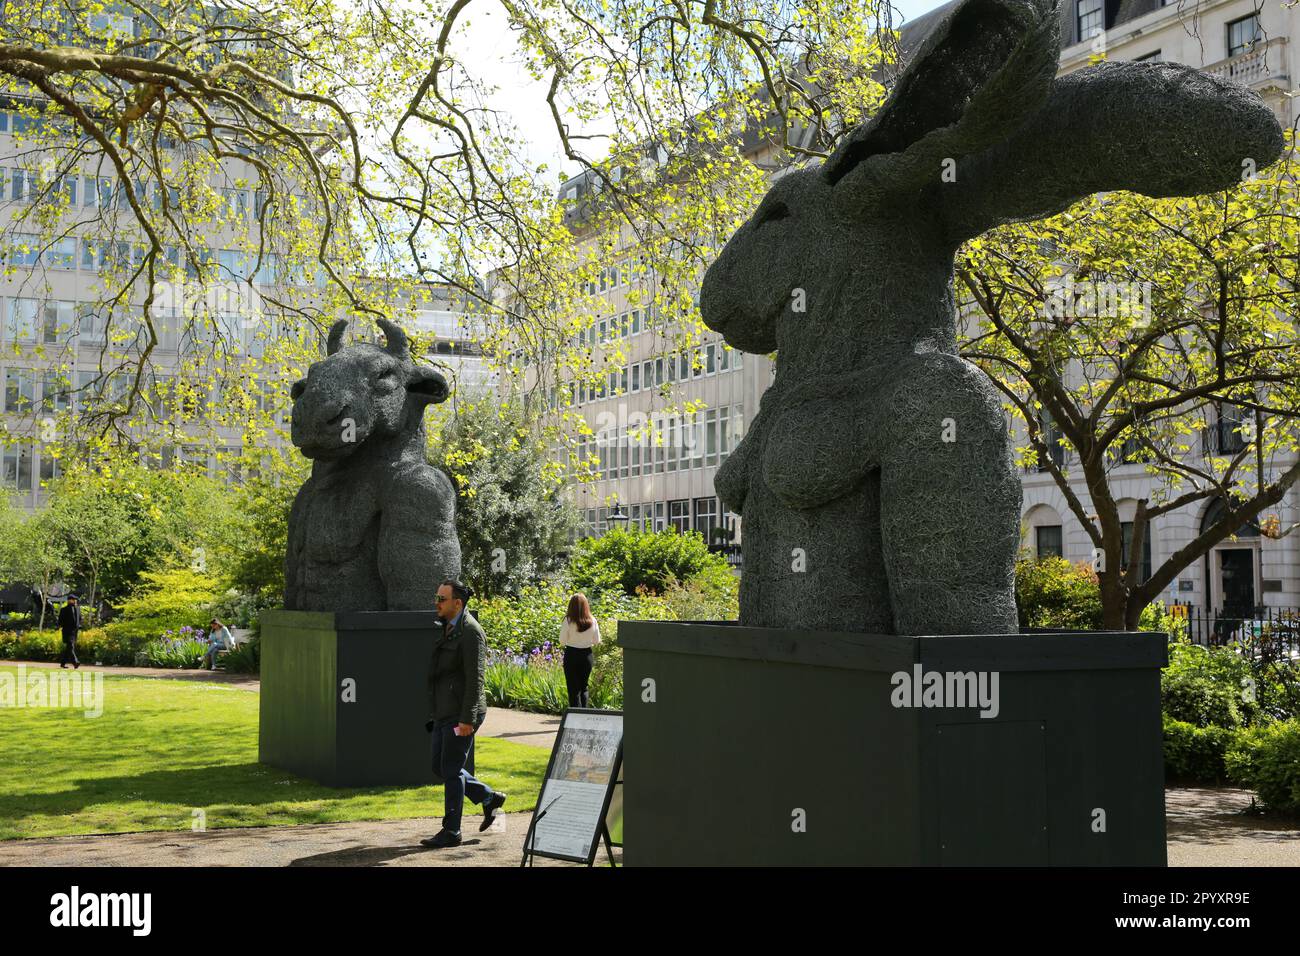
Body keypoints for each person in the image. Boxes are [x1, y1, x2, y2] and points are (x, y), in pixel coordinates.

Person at [420, 579, 507, 849]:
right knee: (440, 766)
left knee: (451, 769)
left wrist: (467, 719)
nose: (437, 602)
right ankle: (489, 797)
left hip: (461, 713)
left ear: (457, 603)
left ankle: (452, 830)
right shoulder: (449, 627)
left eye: (441, 599)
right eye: (437, 597)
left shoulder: (470, 632)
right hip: (445, 711)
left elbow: (475, 680)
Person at [559, 592, 601, 708]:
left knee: (573, 688)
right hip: (587, 655)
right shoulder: (592, 620)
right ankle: (584, 714)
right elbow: (597, 640)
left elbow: (562, 641)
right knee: (584, 687)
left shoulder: (568, 620)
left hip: (572, 654)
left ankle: (575, 716)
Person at [58, 595, 80, 670]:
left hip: (74, 631)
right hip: (67, 631)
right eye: (73, 600)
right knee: (70, 646)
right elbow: (60, 621)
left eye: (75, 600)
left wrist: (78, 626)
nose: (74, 601)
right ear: (69, 600)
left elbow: (80, 619)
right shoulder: (63, 610)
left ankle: (63, 663)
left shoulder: (77, 609)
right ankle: (75, 662)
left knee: (69, 648)